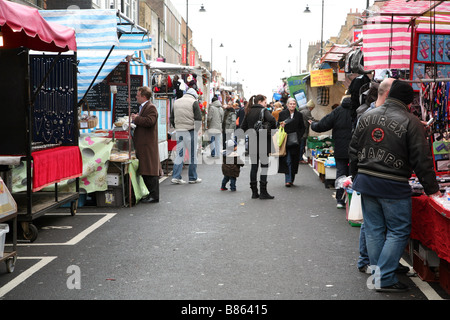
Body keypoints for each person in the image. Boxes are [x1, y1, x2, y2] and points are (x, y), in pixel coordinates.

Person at [349, 80, 441, 293]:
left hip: (367, 180)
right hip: (392, 184)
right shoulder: (411, 121)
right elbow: (422, 159)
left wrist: (357, 177)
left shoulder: (367, 116)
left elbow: (353, 148)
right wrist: (432, 189)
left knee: (374, 229)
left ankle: (379, 273)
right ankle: (384, 277)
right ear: (409, 101)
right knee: (398, 230)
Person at [310, 95, 355, 209]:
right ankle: (352, 199)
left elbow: (323, 125)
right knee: (353, 174)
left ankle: (340, 199)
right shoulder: (357, 111)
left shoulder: (337, 111)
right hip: (355, 149)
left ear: (341, 101)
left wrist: (313, 125)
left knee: (341, 173)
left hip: (340, 148)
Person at [240, 94, 277, 199]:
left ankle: (254, 192)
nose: (266, 104)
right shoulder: (264, 111)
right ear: (260, 101)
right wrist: (271, 130)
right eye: (265, 102)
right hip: (263, 141)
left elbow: (242, 127)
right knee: (264, 167)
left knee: (254, 167)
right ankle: (263, 192)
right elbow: (273, 121)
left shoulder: (248, 111)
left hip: (252, 142)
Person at [131, 86, 160, 203]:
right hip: (144, 143)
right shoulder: (145, 107)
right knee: (146, 170)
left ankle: (154, 195)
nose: (136, 97)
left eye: (138, 95)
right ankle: (151, 194)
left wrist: (137, 119)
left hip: (148, 144)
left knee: (150, 170)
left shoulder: (151, 107)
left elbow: (150, 121)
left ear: (144, 96)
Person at [170, 88, 203, 184]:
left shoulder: (176, 102)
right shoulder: (194, 102)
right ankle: (192, 177)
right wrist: (196, 130)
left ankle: (176, 176)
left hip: (179, 131)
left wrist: (177, 127)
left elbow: (172, 118)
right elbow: (198, 118)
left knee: (180, 154)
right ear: (194, 96)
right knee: (193, 155)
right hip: (190, 131)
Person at [278, 98, 305, 187]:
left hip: (295, 141)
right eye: (290, 104)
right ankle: (288, 180)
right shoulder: (282, 114)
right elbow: (277, 125)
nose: (292, 105)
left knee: (294, 160)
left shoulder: (299, 115)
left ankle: (291, 178)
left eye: (294, 104)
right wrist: (281, 125)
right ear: (287, 105)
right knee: (287, 160)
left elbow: (302, 127)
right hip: (285, 140)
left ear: (295, 105)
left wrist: (299, 136)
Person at [298, 100, 315, 164]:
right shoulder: (307, 111)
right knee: (302, 145)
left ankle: (299, 158)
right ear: (310, 107)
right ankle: (300, 159)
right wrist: (320, 122)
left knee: (300, 145)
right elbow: (311, 119)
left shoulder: (302, 110)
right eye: (312, 108)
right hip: (303, 130)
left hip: (300, 130)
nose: (312, 109)